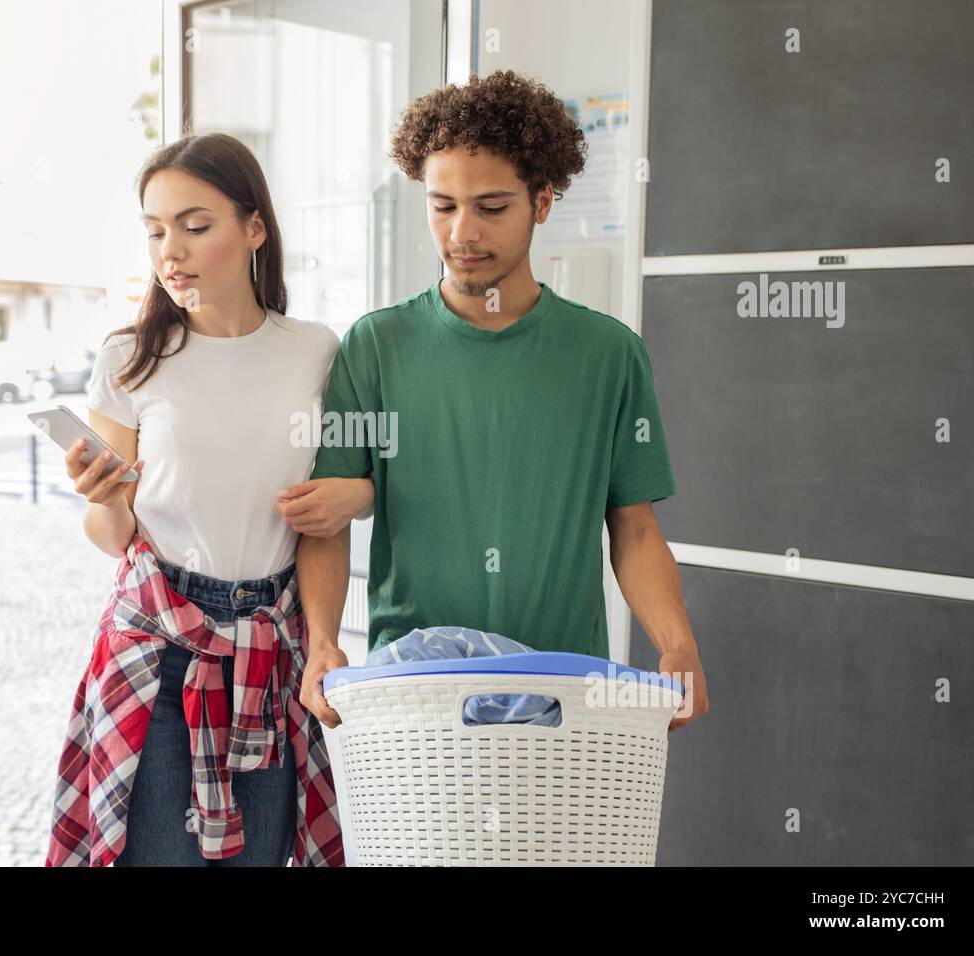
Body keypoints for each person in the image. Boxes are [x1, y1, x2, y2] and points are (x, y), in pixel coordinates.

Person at [289, 69, 710, 733]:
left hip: (565, 690)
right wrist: (321, 643)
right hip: (413, 692)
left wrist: (676, 644)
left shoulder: (608, 355)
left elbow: (634, 529)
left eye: (491, 207)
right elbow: (326, 520)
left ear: (542, 201)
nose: (462, 233)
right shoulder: (375, 345)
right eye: (442, 205)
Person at [59, 132, 372, 867]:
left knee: (262, 855)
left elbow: (345, 490)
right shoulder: (130, 359)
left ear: (254, 228)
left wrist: (357, 492)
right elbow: (112, 537)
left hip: (272, 650)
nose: (173, 250)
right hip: (158, 651)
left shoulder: (317, 352)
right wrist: (103, 497)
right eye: (156, 230)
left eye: (196, 226)